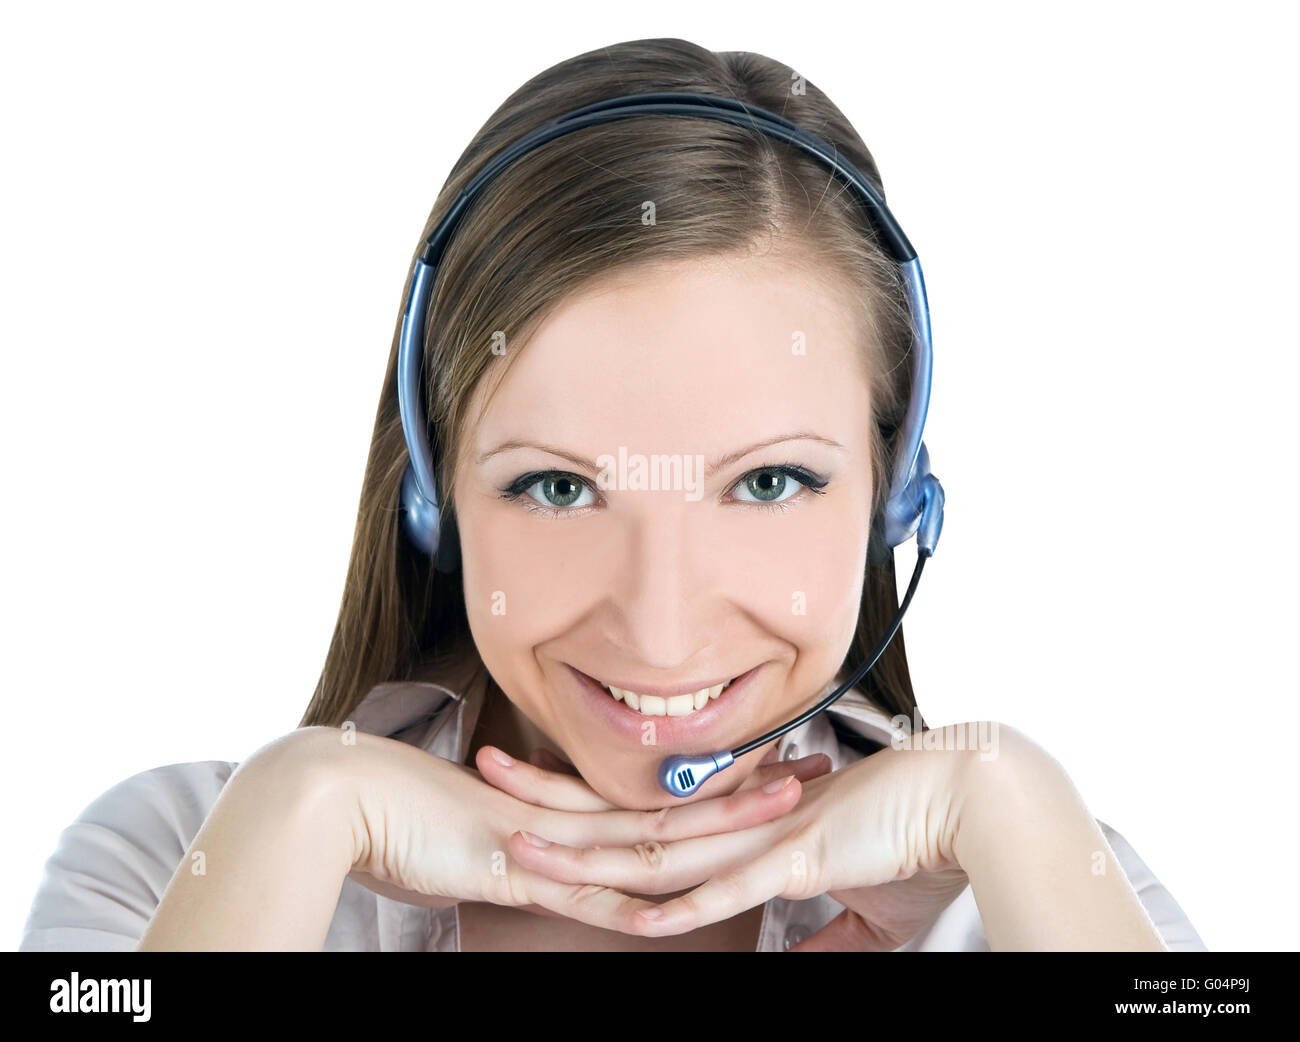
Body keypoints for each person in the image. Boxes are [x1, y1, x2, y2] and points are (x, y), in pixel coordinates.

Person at [19, 37, 1206, 952]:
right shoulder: (187, 855)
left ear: (895, 496)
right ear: (433, 496)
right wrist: (295, 809)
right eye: (554, 486)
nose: (660, 625)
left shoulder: (1043, 878)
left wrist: (1019, 826)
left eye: (770, 480)